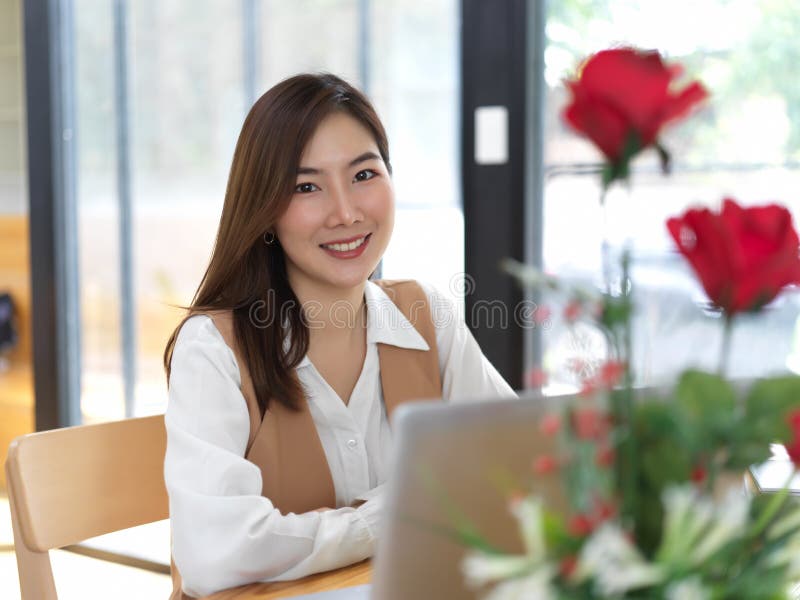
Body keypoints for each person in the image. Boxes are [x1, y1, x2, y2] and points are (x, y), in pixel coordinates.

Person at [163, 73, 516, 599]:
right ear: (264, 212)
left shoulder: (428, 316)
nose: (346, 213)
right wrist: (398, 513)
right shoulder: (213, 351)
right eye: (306, 187)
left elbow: (515, 466)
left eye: (364, 174)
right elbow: (216, 555)